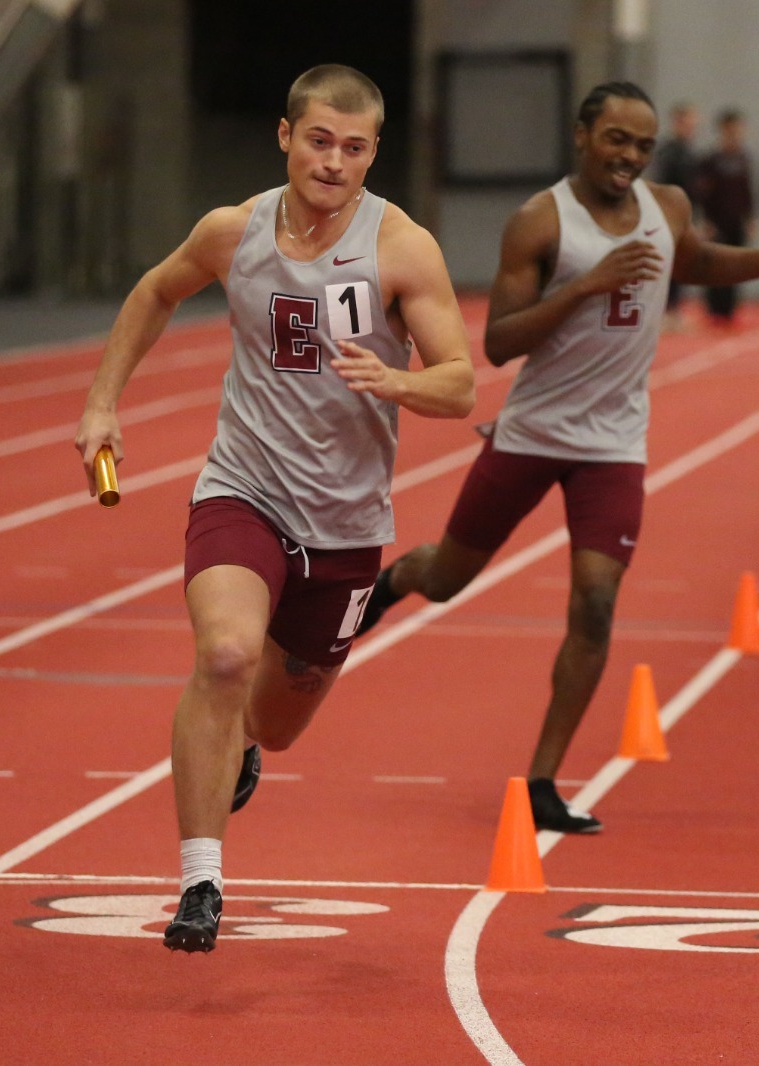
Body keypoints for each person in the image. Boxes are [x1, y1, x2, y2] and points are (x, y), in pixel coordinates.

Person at [345, 82, 759, 833]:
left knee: (596, 604)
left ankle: (544, 778)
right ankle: (394, 579)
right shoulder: (542, 221)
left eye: (643, 146)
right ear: (584, 135)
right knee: (447, 579)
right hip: (532, 433)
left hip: (613, 445)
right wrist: (590, 285)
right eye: (617, 140)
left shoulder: (666, 205)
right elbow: (500, 341)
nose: (630, 158)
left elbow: (698, 260)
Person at [71, 64, 475, 952]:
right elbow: (154, 292)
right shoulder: (233, 230)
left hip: (347, 524)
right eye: (320, 140)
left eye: (355, 148)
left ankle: (244, 744)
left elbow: (460, 385)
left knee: (279, 725)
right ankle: (200, 881)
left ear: (375, 153)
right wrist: (103, 401)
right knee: (222, 655)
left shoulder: (402, 247)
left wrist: (397, 378)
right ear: (286, 137)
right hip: (243, 489)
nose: (334, 162)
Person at [692, 108, 754, 327]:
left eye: (737, 129)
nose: (734, 133)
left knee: (736, 266)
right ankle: (714, 309)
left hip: (737, 220)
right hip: (716, 221)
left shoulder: (744, 159)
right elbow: (702, 194)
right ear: (722, 130)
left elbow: (748, 192)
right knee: (716, 266)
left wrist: (750, 218)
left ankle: (729, 309)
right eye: (730, 129)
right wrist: (705, 221)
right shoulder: (710, 160)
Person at [649, 103, 700, 331]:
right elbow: (663, 186)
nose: (693, 127)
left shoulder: (689, 151)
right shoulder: (669, 152)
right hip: (669, 216)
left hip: (686, 215)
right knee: (668, 264)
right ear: (678, 122)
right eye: (689, 121)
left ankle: (674, 309)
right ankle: (665, 310)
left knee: (682, 262)